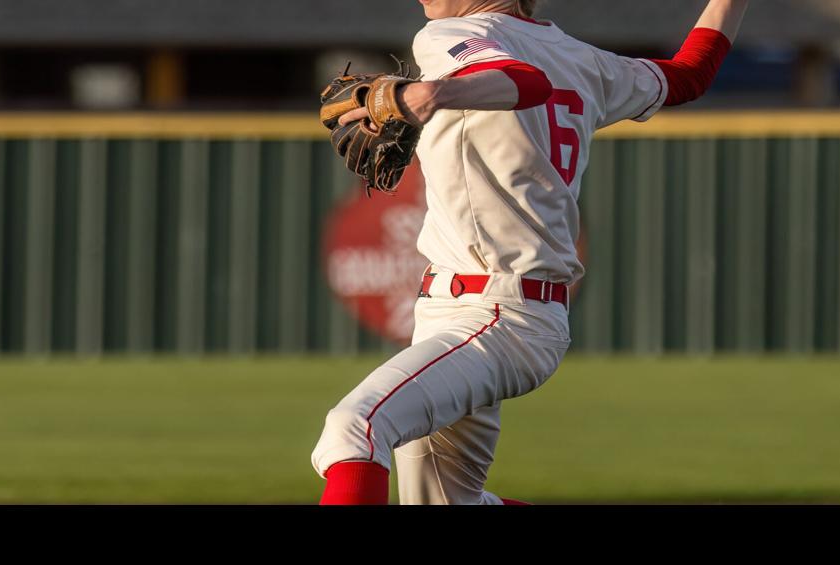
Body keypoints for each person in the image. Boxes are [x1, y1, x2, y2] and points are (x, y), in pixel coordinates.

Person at [312, 0, 750, 504]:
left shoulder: (452, 33)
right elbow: (686, 75)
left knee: (354, 428)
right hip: (487, 311)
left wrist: (431, 93)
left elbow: (521, 79)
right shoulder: (583, 60)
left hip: (495, 314)